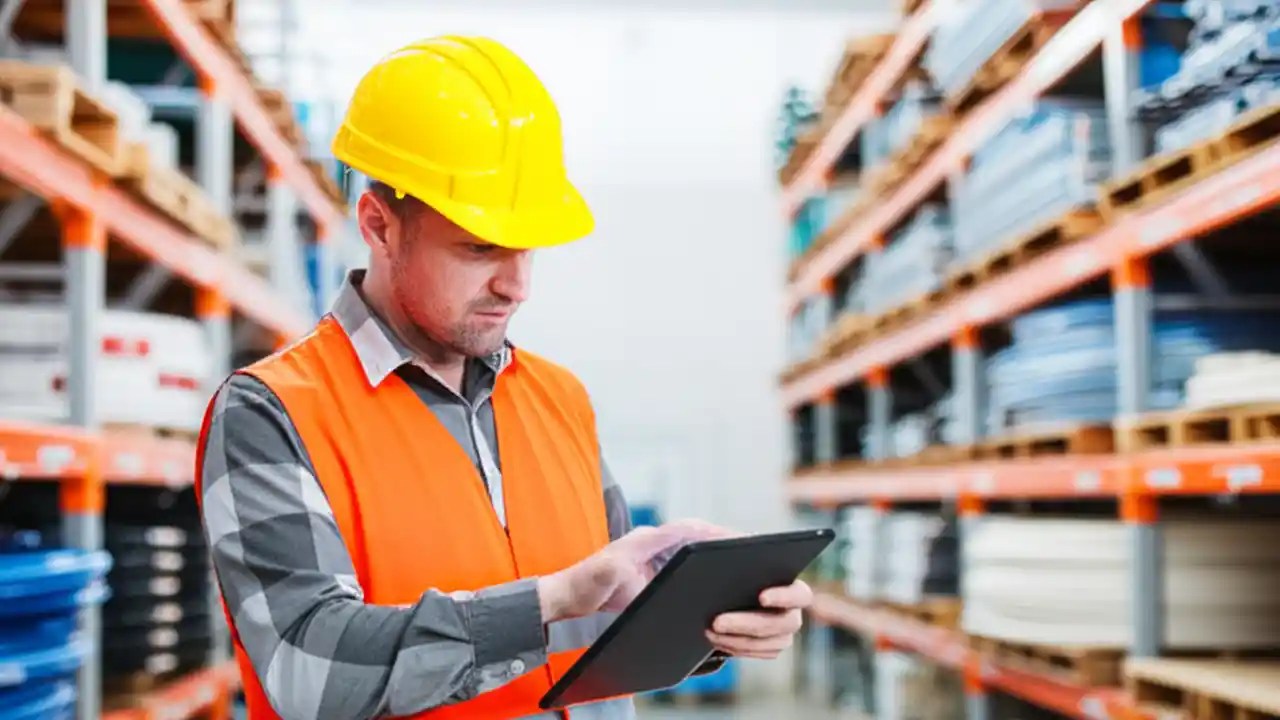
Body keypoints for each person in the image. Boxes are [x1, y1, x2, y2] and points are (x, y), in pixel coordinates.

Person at [195, 35, 812, 720]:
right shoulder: (271, 412)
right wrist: (552, 599)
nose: (516, 283)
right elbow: (309, 668)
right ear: (380, 224)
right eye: (479, 246)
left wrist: (708, 618)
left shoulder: (560, 400)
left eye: (526, 248)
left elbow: (603, 629)